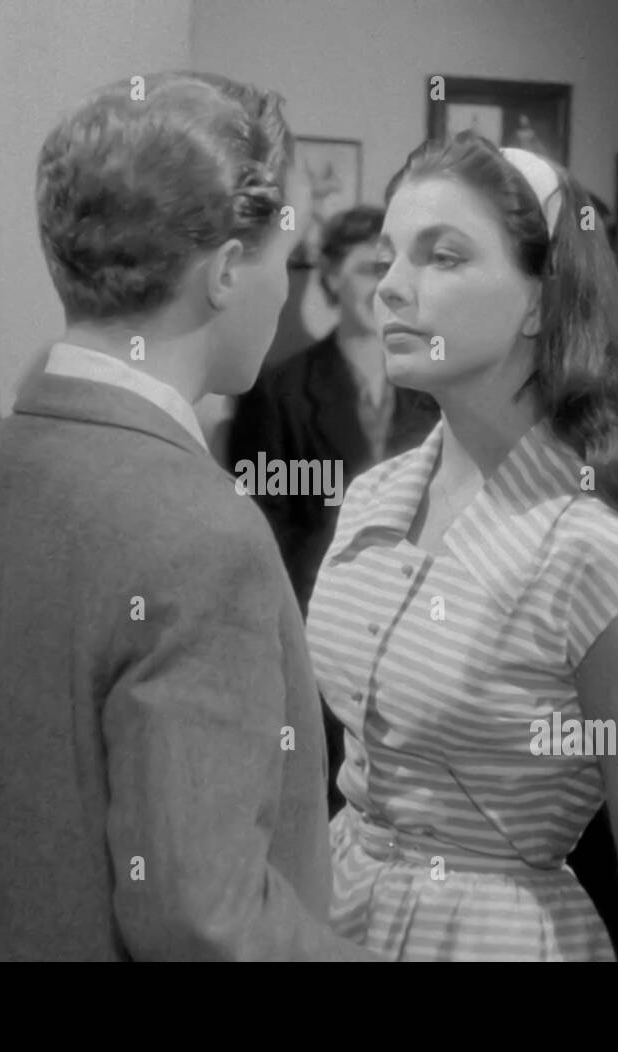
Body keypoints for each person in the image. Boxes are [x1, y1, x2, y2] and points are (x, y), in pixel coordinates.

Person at [0, 71, 378, 961]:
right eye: (281, 261)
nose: (286, 293)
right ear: (223, 272)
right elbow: (202, 915)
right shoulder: (203, 533)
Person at [307, 133, 618, 961]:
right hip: (334, 914)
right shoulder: (374, 500)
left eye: (442, 256)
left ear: (538, 301)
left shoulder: (604, 556)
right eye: (387, 258)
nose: (390, 289)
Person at [228, 206, 440, 817]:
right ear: (330, 279)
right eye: (365, 268)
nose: (384, 283)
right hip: (317, 639)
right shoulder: (280, 389)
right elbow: (264, 531)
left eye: (393, 267)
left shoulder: (434, 383)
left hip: (422, 640)